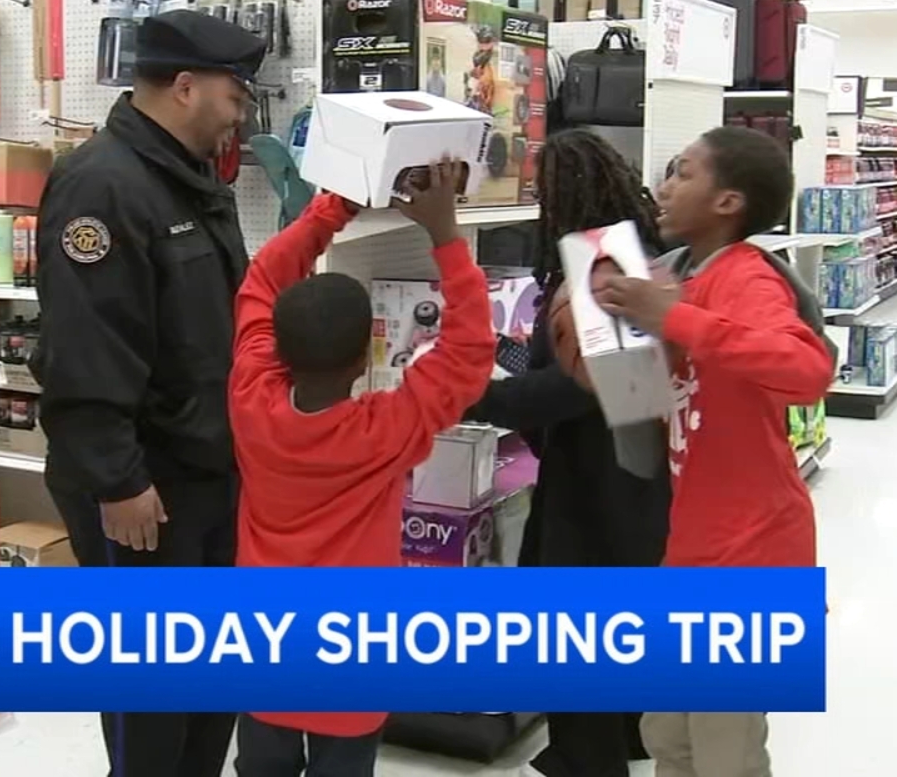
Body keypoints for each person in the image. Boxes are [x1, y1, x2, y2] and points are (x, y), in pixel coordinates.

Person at [30, 9, 266, 777]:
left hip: (205, 470)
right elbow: (86, 347)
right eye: (236, 97)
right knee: (151, 695)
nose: (241, 116)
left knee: (211, 679)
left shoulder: (192, 181)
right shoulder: (103, 184)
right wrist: (118, 479)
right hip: (142, 488)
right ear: (186, 87)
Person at [228, 161, 496, 777]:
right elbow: (470, 353)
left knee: (261, 764)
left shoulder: (251, 394)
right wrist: (445, 235)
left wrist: (332, 208)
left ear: (280, 346)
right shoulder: (386, 430)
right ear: (364, 359)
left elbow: (262, 281)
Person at [593, 126, 834, 777]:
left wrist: (670, 317)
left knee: (725, 749)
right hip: (694, 549)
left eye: (684, 172)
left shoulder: (746, 276)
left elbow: (805, 368)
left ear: (728, 202)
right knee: (670, 735)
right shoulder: (687, 279)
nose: (664, 187)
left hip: (751, 558)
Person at [461, 131, 673, 777]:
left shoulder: (602, 262)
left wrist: (482, 400)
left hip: (603, 481)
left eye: (542, 185)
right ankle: (616, 739)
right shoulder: (628, 252)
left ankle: (587, 757)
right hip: (624, 474)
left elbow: (583, 387)